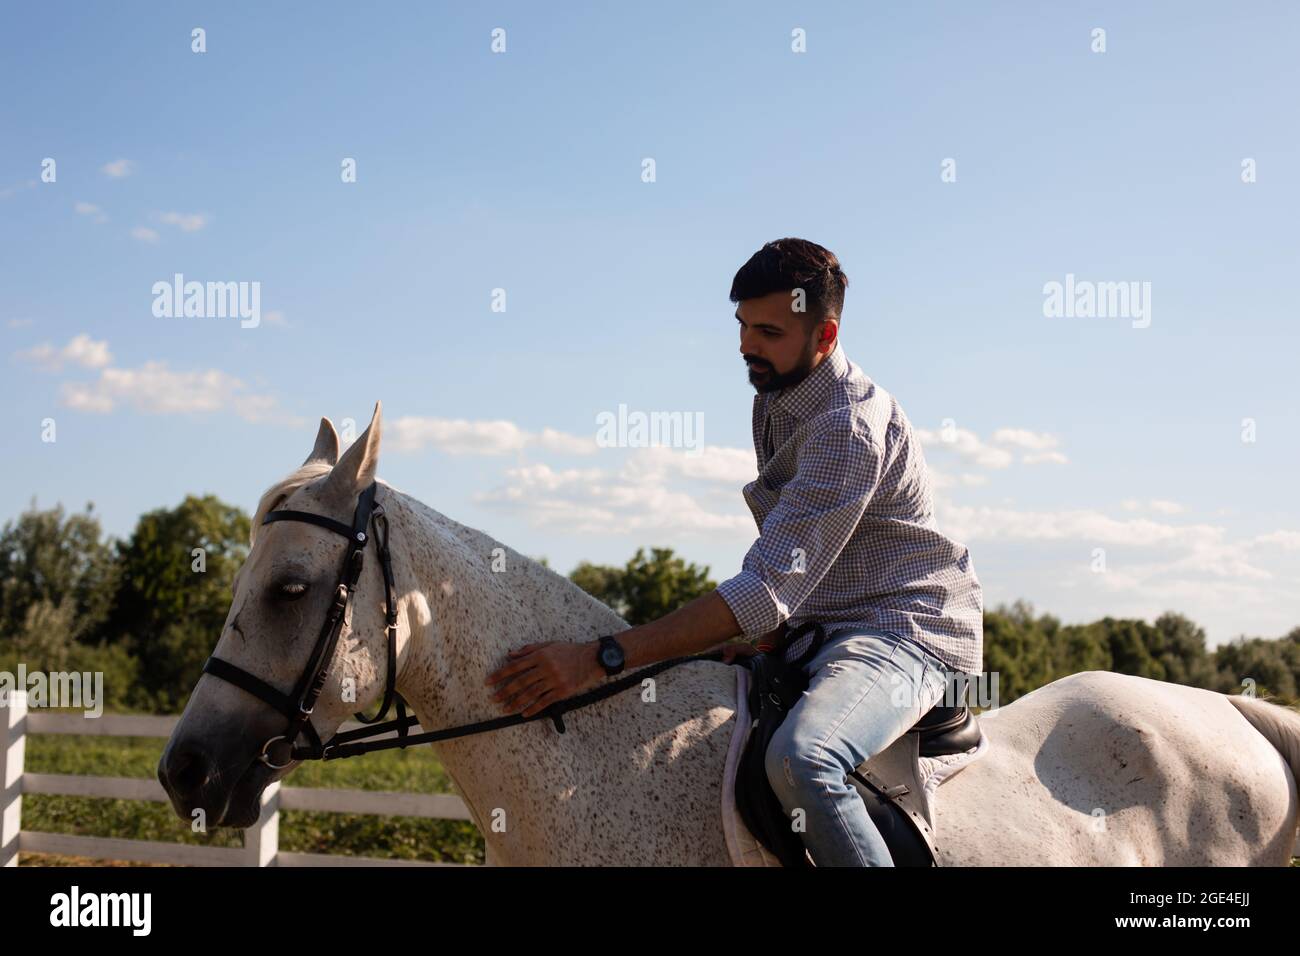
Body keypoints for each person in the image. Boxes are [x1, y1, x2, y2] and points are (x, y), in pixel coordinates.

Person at [485, 237, 983, 866]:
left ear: (824, 336)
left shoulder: (845, 425)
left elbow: (765, 587)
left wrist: (603, 656)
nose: (748, 345)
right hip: (821, 629)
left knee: (804, 761)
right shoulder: (778, 395)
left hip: (904, 632)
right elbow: (790, 576)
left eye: (769, 331)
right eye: (743, 326)